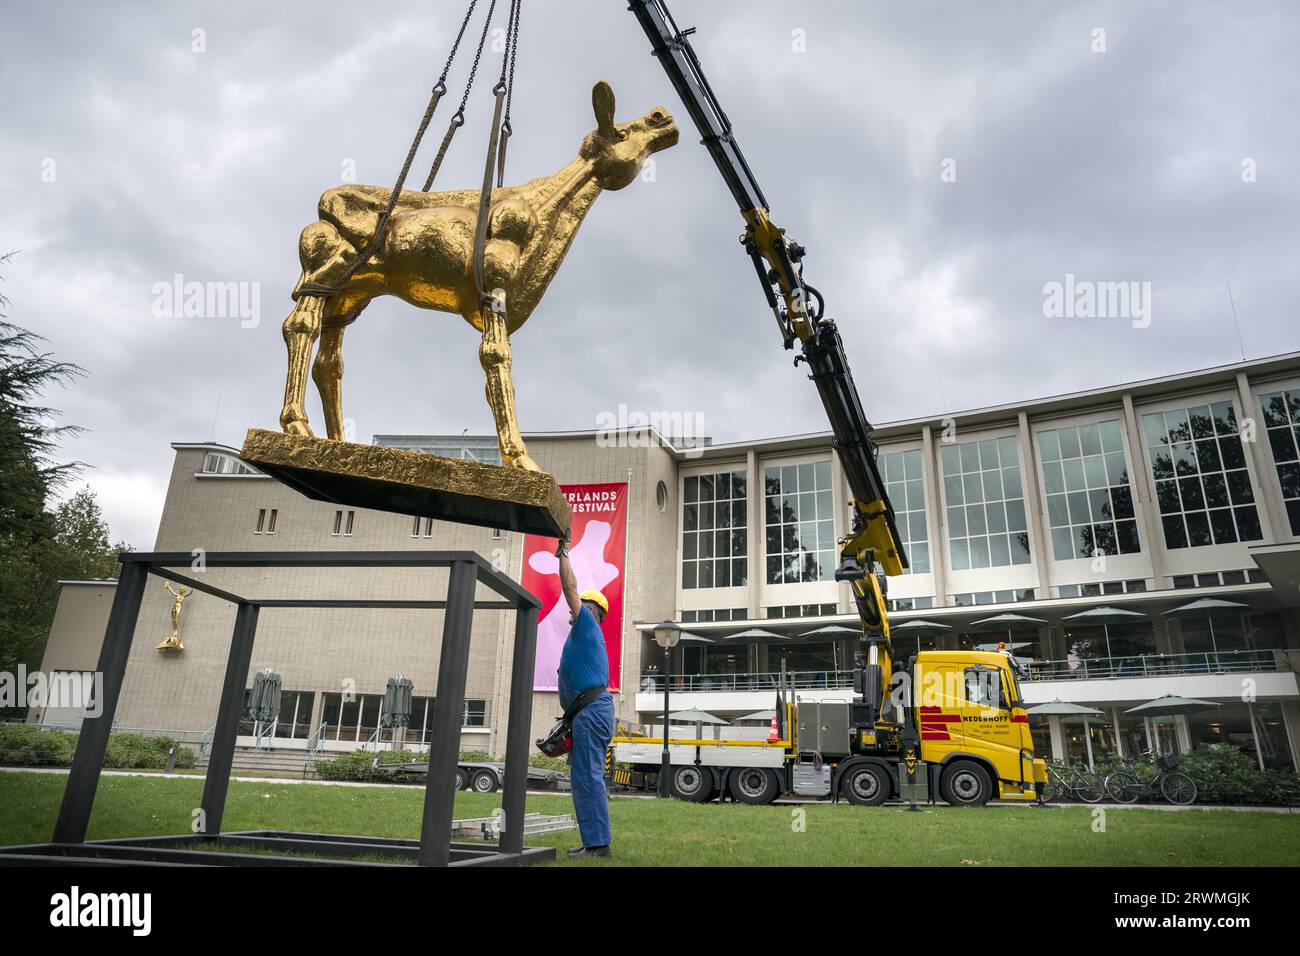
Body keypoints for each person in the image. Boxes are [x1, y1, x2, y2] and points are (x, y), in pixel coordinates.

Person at [554, 533, 616, 859]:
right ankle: (592, 842)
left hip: (591, 714)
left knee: (587, 777)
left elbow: (570, 588)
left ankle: (598, 846)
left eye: (580, 607)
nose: (572, 610)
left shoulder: (587, 624)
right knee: (583, 778)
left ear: (591, 609)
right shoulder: (586, 634)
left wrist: (563, 554)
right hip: (588, 714)